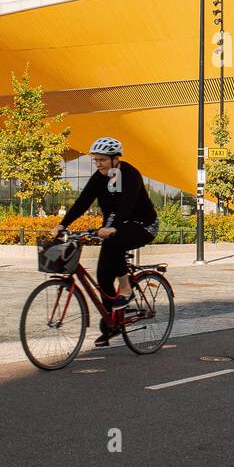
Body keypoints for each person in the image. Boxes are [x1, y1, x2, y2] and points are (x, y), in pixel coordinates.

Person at [53, 138, 159, 347]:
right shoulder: (99, 178)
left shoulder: (129, 174)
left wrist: (113, 227)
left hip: (142, 225)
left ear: (114, 159)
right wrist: (63, 224)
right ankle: (112, 324)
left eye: (102, 160)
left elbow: (127, 205)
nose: (98, 163)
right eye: (96, 160)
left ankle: (126, 289)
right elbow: (82, 202)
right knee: (103, 275)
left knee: (113, 242)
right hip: (114, 227)